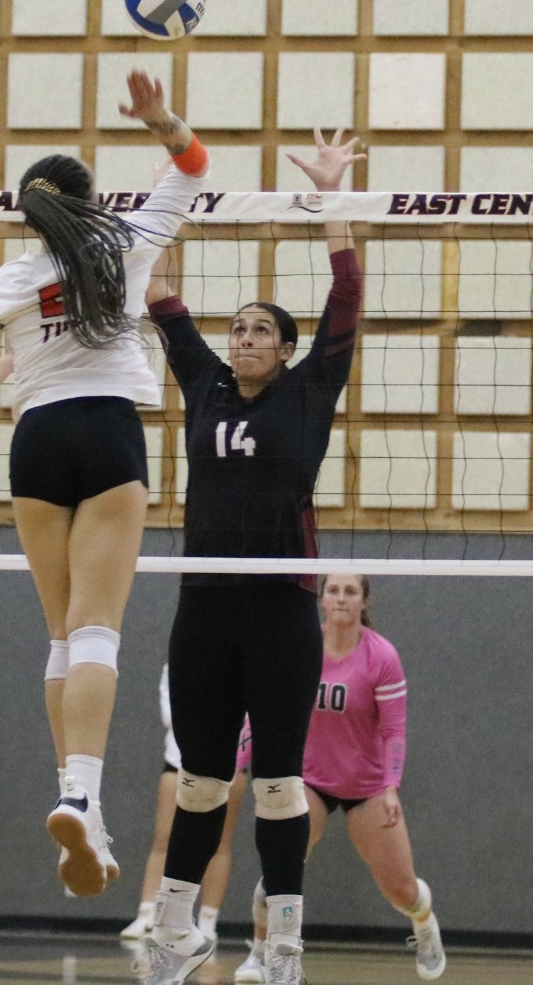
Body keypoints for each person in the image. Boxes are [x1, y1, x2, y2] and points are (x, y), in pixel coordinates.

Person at [0, 70, 207, 898]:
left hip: (38, 441)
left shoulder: (8, 282)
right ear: (91, 202)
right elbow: (194, 166)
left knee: (63, 634)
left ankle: (78, 803)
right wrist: (158, 117)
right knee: (100, 631)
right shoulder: (126, 242)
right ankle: (81, 793)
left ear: (29, 210)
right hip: (107, 432)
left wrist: (11, 368)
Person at [135, 131, 364, 985]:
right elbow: (154, 290)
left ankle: (282, 945)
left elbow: (346, 297)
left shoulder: (310, 390)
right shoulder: (204, 384)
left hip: (279, 606)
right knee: (198, 781)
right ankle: (175, 933)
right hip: (204, 605)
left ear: (286, 345)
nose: (243, 337)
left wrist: (333, 198)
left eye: (260, 329)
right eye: (237, 327)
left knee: (275, 783)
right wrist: (167, 198)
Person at [240, 575, 445, 983]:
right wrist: (240, 758)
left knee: (402, 892)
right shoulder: (302, 647)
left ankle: (424, 924)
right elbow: (260, 709)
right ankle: (261, 952)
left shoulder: (381, 656)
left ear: (363, 601)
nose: (341, 599)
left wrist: (391, 787)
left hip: (366, 787)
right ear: (321, 599)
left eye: (350, 592)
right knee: (278, 872)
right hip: (310, 780)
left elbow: (394, 730)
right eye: (333, 590)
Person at [119, 664, 241, 946]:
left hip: (230, 762)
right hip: (180, 759)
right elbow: (171, 712)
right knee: (164, 838)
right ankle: (148, 912)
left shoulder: (243, 657)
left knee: (219, 843)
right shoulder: (182, 654)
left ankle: (208, 921)